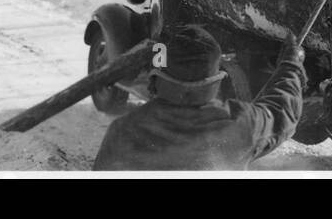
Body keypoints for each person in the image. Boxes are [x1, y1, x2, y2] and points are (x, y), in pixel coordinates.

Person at [92, 24, 305, 171]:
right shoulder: (241, 124)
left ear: (157, 78)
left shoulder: (123, 131)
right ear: (215, 81)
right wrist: (290, 63)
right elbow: (282, 110)